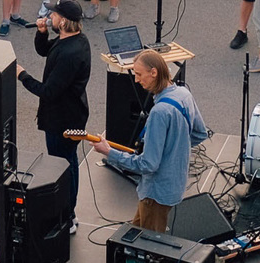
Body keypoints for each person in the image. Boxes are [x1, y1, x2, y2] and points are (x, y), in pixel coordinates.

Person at [89, 51, 210, 231]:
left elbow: (148, 164)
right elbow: (200, 133)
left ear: (153, 72)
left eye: (138, 74)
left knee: (148, 245)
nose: (136, 80)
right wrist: (175, 149)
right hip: (173, 184)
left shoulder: (159, 112)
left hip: (155, 192)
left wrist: (108, 152)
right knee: (137, 231)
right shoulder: (184, 94)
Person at [18, 0, 91, 218]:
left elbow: (48, 91)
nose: (50, 17)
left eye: (54, 15)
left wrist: (22, 75)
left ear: (64, 21)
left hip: (64, 121)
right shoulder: (73, 39)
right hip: (70, 115)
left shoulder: (70, 54)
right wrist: (41, 33)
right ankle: (68, 211)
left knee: (63, 167)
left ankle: (67, 215)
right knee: (69, 162)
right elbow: (45, 51)